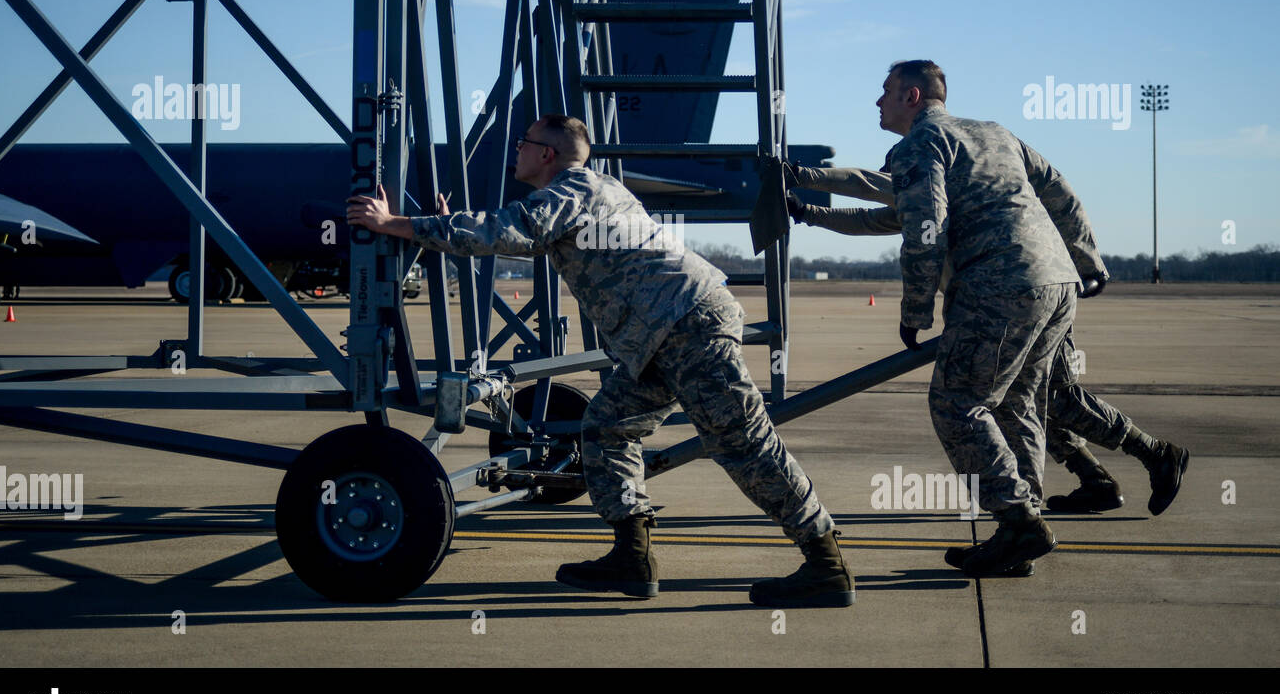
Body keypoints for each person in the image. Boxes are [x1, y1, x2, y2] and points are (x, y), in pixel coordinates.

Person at [346, 113, 854, 607]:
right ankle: (632, 558)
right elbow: (519, 234)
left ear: (547, 154)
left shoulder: (575, 191)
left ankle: (826, 564)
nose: (516, 150)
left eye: (524, 142)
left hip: (684, 324)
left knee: (743, 442)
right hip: (658, 335)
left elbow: (509, 230)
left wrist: (397, 223)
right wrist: (438, 224)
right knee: (606, 428)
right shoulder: (586, 191)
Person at [784, 164, 1190, 519]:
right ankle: (1093, 477)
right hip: (1007, 305)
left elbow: (865, 184)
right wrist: (808, 213)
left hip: (1025, 299)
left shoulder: (939, 185)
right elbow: (868, 219)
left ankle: (1155, 454)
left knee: (1055, 399)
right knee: (1029, 397)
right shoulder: (923, 205)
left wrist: (804, 175)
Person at [875, 59, 1103, 577]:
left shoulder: (920, 144)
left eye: (885, 91)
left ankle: (1017, 520)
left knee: (957, 404)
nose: (878, 101)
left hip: (997, 283)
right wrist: (1088, 260)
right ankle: (1021, 532)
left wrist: (915, 309)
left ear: (912, 96)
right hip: (1056, 281)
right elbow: (1058, 189)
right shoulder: (994, 132)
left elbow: (925, 228)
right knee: (1016, 402)